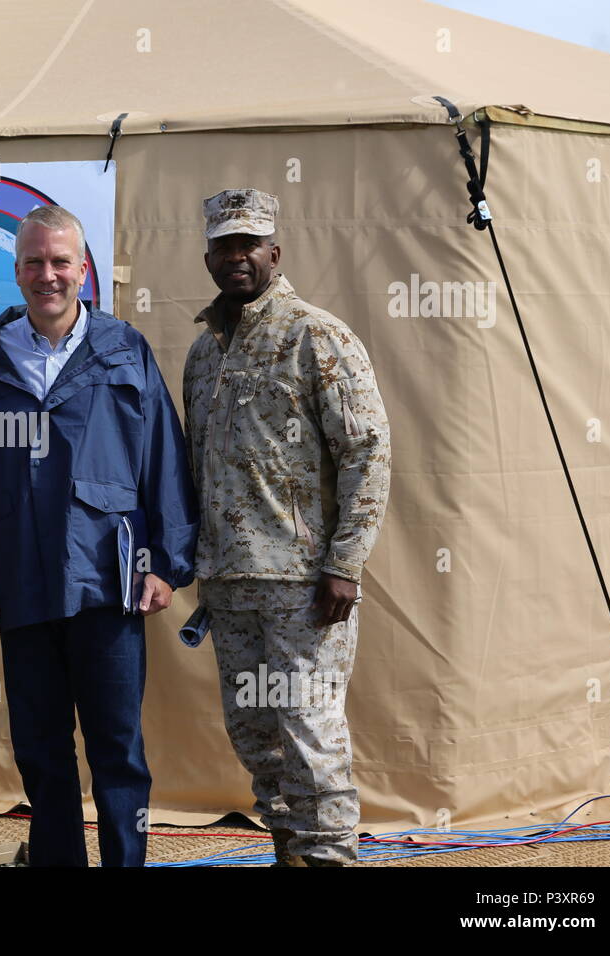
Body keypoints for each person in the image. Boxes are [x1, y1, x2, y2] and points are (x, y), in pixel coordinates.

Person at [0, 205, 198, 867]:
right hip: (23, 585)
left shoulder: (124, 350)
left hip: (107, 583)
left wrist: (165, 562)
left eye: (61, 262)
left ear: (82, 269)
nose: (48, 274)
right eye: (34, 262)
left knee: (118, 749)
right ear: (17, 271)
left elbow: (162, 460)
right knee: (41, 751)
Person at [183, 189, 391, 867]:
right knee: (257, 739)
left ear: (276, 250)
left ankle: (329, 860)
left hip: (304, 589)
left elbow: (366, 451)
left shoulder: (317, 335)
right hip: (231, 587)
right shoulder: (204, 352)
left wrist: (345, 565)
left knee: (310, 737)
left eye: (250, 243)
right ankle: (290, 856)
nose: (237, 256)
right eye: (225, 244)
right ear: (208, 254)